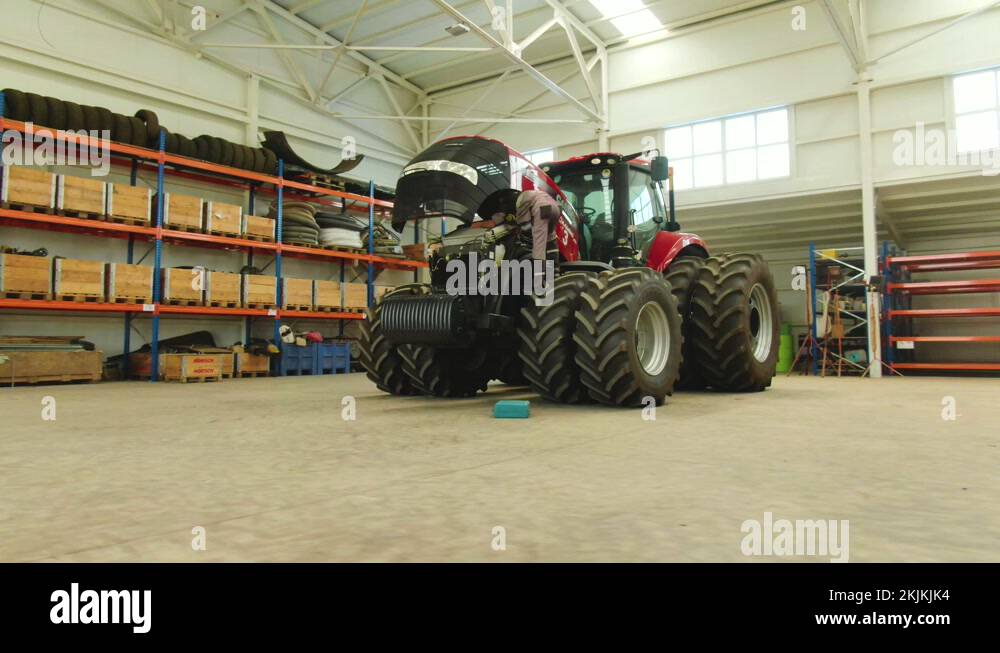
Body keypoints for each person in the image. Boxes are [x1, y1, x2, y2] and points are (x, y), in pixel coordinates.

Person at [514, 189, 561, 262]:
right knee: (550, 237)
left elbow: (522, 219)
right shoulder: (535, 193)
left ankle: (539, 271)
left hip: (543, 207)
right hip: (556, 207)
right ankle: (554, 270)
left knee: (539, 242)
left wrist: (517, 226)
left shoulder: (520, 199)